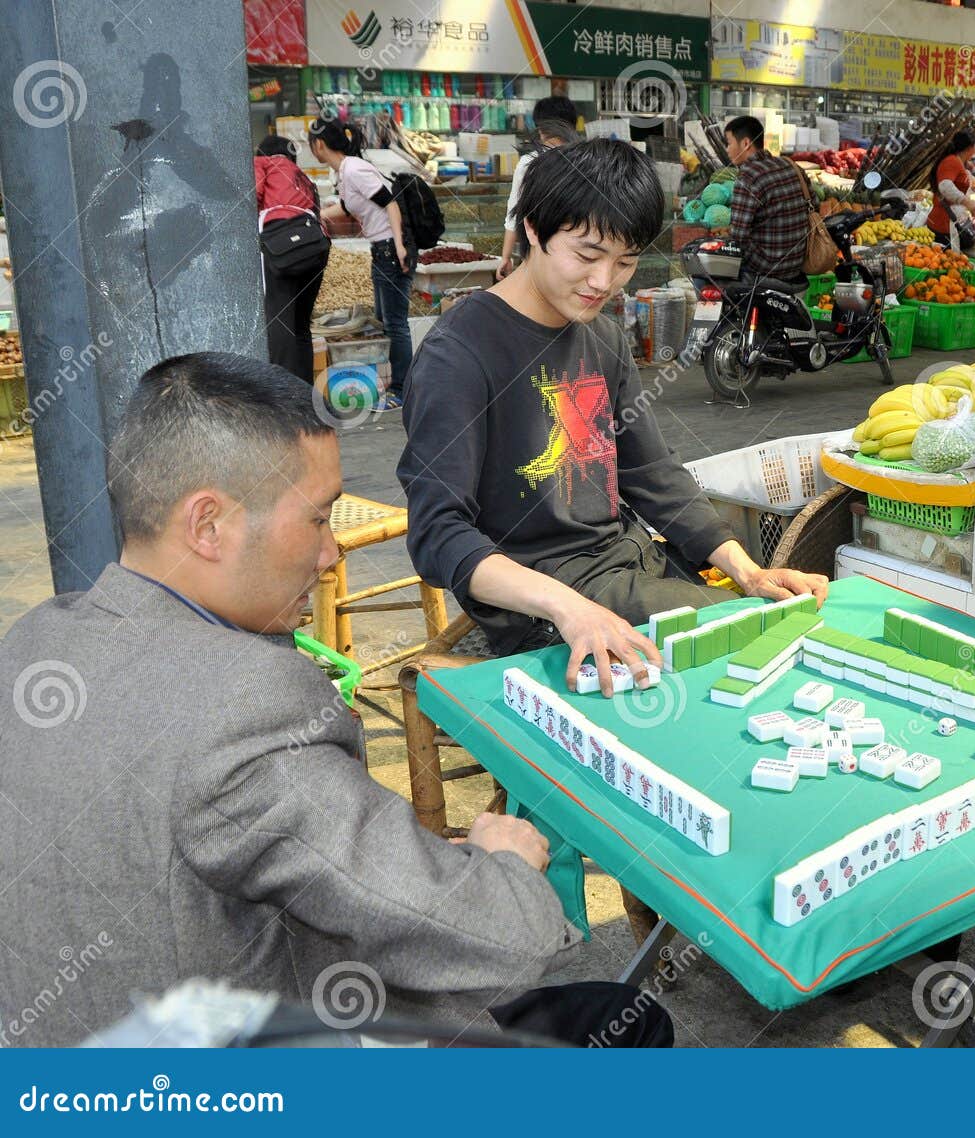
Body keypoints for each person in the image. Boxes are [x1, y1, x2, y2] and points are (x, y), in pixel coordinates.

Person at [0, 352, 672, 1048]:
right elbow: (499, 939)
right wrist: (504, 862)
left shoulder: (34, 642)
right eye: (317, 519)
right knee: (625, 1021)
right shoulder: (244, 705)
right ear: (208, 526)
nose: (331, 555)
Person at [399, 139, 827, 675]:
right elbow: (439, 532)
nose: (603, 282)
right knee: (759, 639)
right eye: (586, 255)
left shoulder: (602, 335)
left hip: (628, 564)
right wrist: (567, 607)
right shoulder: (459, 354)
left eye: (625, 262)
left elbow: (651, 471)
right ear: (533, 229)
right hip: (541, 602)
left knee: (772, 616)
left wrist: (746, 570)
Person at [309, 117, 412, 411]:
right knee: (384, 318)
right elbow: (346, 207)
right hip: (381, 248)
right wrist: (315, 215)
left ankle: (404, 391)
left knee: (395, 323)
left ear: (318, 145)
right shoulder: (345, 172)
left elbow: (389, 203)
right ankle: (396, 384)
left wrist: (400, 246)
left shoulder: (353, 169)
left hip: (392, 248)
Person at [254, 134, 328, 383]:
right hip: (317, 249)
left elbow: (252, 197)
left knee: (279, 319)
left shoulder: (263, 164)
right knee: (301, 325)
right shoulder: (305, 179)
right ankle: (306, 395)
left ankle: (283, 396)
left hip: (282, 247)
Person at [498, 96, 583, 280]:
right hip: (579, 251)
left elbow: (515, 211)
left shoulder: (529, 163)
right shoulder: (588, 160)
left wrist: (505, 257)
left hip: (538, 251)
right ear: (573, 125)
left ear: (540, 129)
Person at [723, 115, 812, 284]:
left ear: (746, 143)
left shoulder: (748, 176)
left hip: (765, 268)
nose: (727, 149)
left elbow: (739, 237)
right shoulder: (790, 165)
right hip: (797, 264)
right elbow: (813, 206)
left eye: (729, 143)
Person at [927, 130, 975, 250]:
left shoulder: (957, 161)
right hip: (944, 223)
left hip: (948, 221)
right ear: (969, 148)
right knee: (948, 262)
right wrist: (967, 202)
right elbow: (945, 186)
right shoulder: (951, 161)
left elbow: (957, 179)